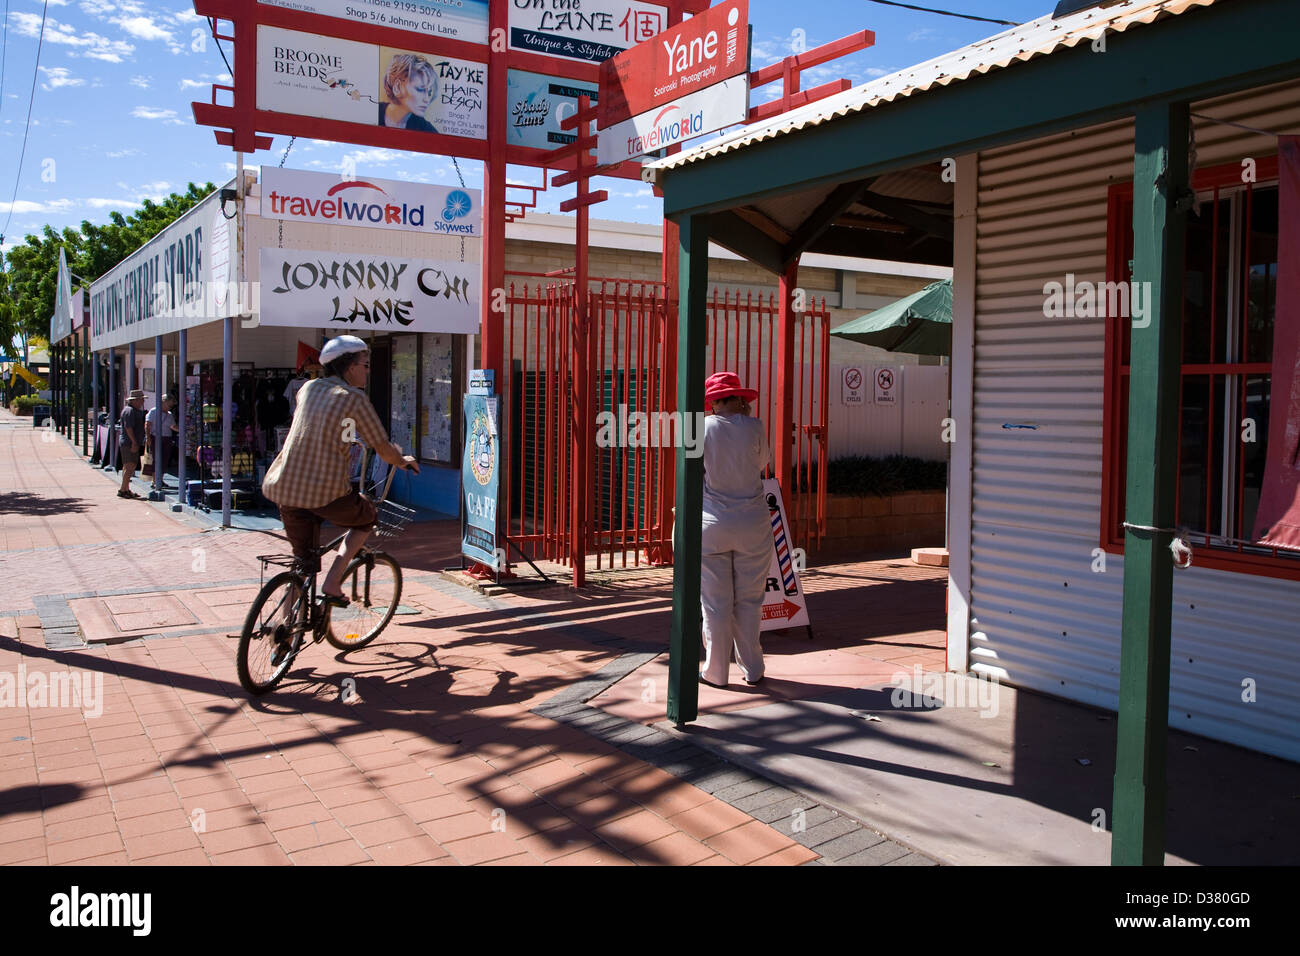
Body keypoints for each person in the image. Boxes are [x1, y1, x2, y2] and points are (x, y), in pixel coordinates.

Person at [261, 335, 419, 606]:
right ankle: (333, 582)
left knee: (302, 563)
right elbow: (381, 447)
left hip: (284, 487)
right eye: (365, 364)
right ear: (349, 367)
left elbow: (321, 423)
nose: (368, 371)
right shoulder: (354, 398)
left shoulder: (308, 388)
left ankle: (283, 631)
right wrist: (401, 459)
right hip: (325, 493)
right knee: (366, 517)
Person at [698, 371, 772, 688]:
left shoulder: (703, 428)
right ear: (740, 397)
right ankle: (753, 667)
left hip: (711, 522)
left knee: (715, 603)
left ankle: (715, 672)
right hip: (752, 522)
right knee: (750, 600)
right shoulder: (754, 427)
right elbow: (762, 463)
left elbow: (692, 467)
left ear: (714, 401)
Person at [379, 54, 438, 133]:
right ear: (398, 87)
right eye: (420, 89)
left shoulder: (426, 130)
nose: (427, 99)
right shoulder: (371, 111)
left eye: (429, 93)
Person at [117, 389, 147, 499]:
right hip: (129, 443)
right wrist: (134, 442)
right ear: (135, 400)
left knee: (128, 466)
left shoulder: (132, 410)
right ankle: (123, 489)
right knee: (130, 466)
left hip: (130, 442)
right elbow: (128, 427)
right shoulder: (130, 411)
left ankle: (125, 488)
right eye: (141, 400)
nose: (142, 402)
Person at [145, 393, 178, 477]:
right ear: (163, 402)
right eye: (169, 405)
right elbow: (148, 425)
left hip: (167, 438)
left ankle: (161, 478)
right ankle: (155, 480)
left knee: (165, 459)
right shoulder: (153, 411)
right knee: (156, 459)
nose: (170, 407)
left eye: (171, 406)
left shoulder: (169, 414)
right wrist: (148, 438)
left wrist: (183, 430)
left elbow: (172, 426)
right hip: (155, 437)